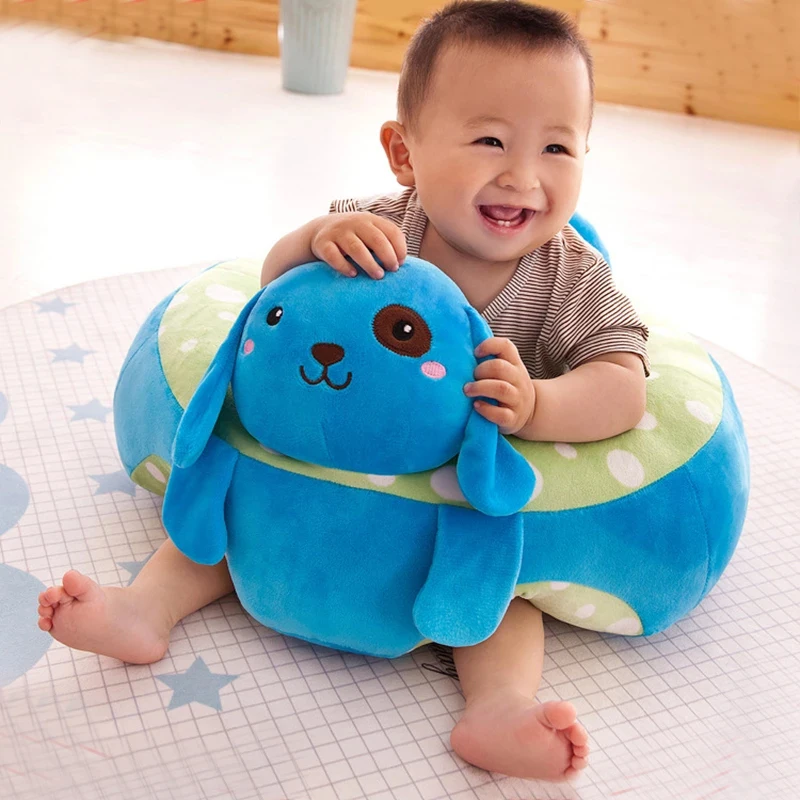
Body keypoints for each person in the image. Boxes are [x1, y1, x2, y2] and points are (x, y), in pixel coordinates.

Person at [38, 1, 649, 783]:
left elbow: (624, 386)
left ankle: (497, 707)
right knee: (235, 509)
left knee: (506, 600)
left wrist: (538, 403)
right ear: (404, 152)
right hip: (330, 464)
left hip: (454, 502)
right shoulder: (378, 230)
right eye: (490, 140)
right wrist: (310, 242)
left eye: (557, 147)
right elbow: (277, 291)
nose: (522, 175)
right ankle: (142, 610)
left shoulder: (570, 279)